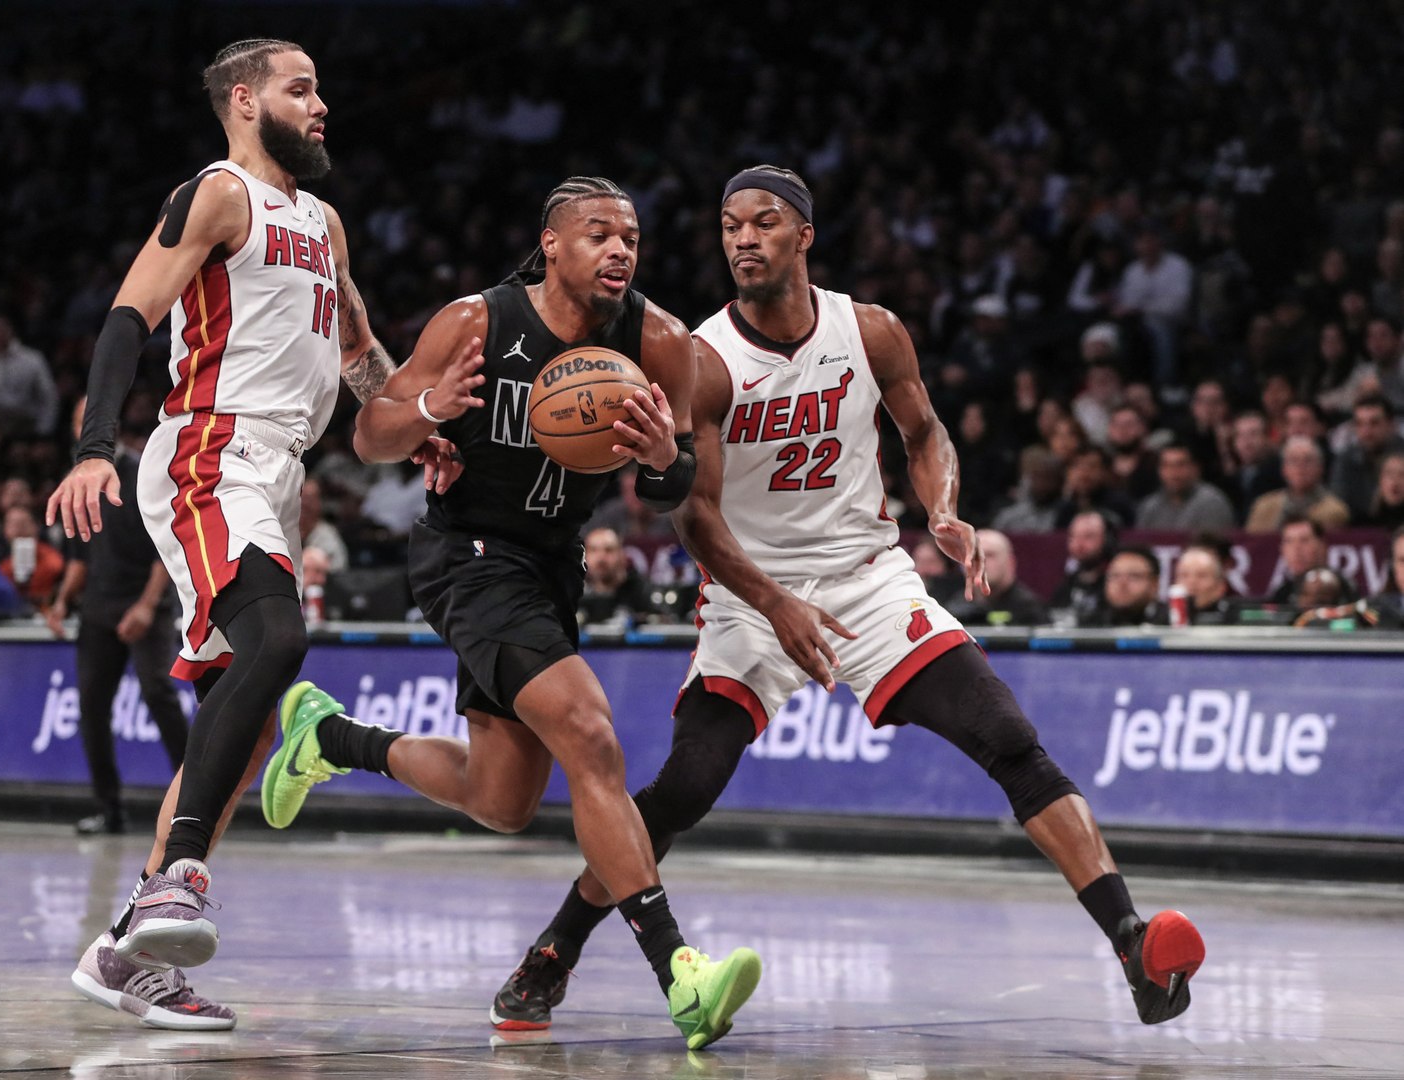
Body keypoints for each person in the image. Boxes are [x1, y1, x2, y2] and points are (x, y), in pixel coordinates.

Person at [481, 167, 1201, 1033]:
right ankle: (554, 950)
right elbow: (692, 515)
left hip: (868, 578)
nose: (744, 238)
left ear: (804, 236)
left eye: (765, 223)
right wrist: (775, 601)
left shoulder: (872, 331)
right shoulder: (702, 360)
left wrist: (942, 509)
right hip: (751, 592)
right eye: (730, 226)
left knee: (1009, 738)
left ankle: (1132, 945)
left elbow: (925, 433)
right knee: (683, 790)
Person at [261, 175, 762, 1050]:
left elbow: (678, 484)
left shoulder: (661, 343)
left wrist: (658, 459)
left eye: (631, 239)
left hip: (551, 566)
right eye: (599, 234)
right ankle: (682, 975)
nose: (619, 251)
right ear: (554, 244)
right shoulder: (476, 323)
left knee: (502, 801)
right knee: (592, 735)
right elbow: (370, 436)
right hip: (467, 554)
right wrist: (427, 412)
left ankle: (332, 738)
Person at [43, 38, 460, 1031]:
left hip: (281, 471)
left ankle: (123, 957)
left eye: (321, 90)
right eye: (300, 89)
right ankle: (173, 883)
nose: (322, 107)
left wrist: (422, 428)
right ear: (244, 99)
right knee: (277, 641)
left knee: (254, 705)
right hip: (207, 449)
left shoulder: (324, 223)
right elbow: (127, 315)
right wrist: (95, 445)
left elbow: (364, 362)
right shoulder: (217, 194)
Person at [46, 399, 188, 837]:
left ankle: (195, 805)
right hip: (98, 609)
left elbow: (165, 550)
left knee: (158, 693)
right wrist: (59, 602)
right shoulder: (77, 481)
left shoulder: (144, 472)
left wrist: (146, 606)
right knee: (92, 708)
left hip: (145, 603)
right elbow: (81, 556)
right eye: (77, 420)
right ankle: (109, 810)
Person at [1244, 435, 1351, 532]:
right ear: (1284, 469)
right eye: (1293, 460)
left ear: (1320, 468)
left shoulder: (1336, 511)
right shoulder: (1263, 507)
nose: (1300, 467)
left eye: (1308, 460)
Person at [947, 529, 1048, 627]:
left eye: (990, 555)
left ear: (1010, 562)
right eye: (974, 556)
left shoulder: (1030, 610)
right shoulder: (952, 610)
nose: (981, 562)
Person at [1134, 444, 1237, 531]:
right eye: (1166, 465)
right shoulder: (1149, 506)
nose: (1173, 473)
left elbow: (1215, 548)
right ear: (1159, 471)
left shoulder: (1212, 503)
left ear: (1194, 469)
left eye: (1180, 465)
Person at [579, 526, 656, 625]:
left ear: (622, 556)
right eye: (593, 550)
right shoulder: (577, 595)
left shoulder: (642, 593)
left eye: (609, 550)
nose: (601, 558)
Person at [1085, 546, 1168, 626]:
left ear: (1155, 584)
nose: (1122, 583)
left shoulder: (1172, 623)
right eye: (1115, 575)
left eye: (1134, 576)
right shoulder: (1090, 625)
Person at [1173, 545, 1236, 625]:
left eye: (1201, 575)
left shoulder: (1233, 622)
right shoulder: (1161, 622)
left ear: (1220, 586)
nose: (1192, 582)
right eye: (1184, 575)